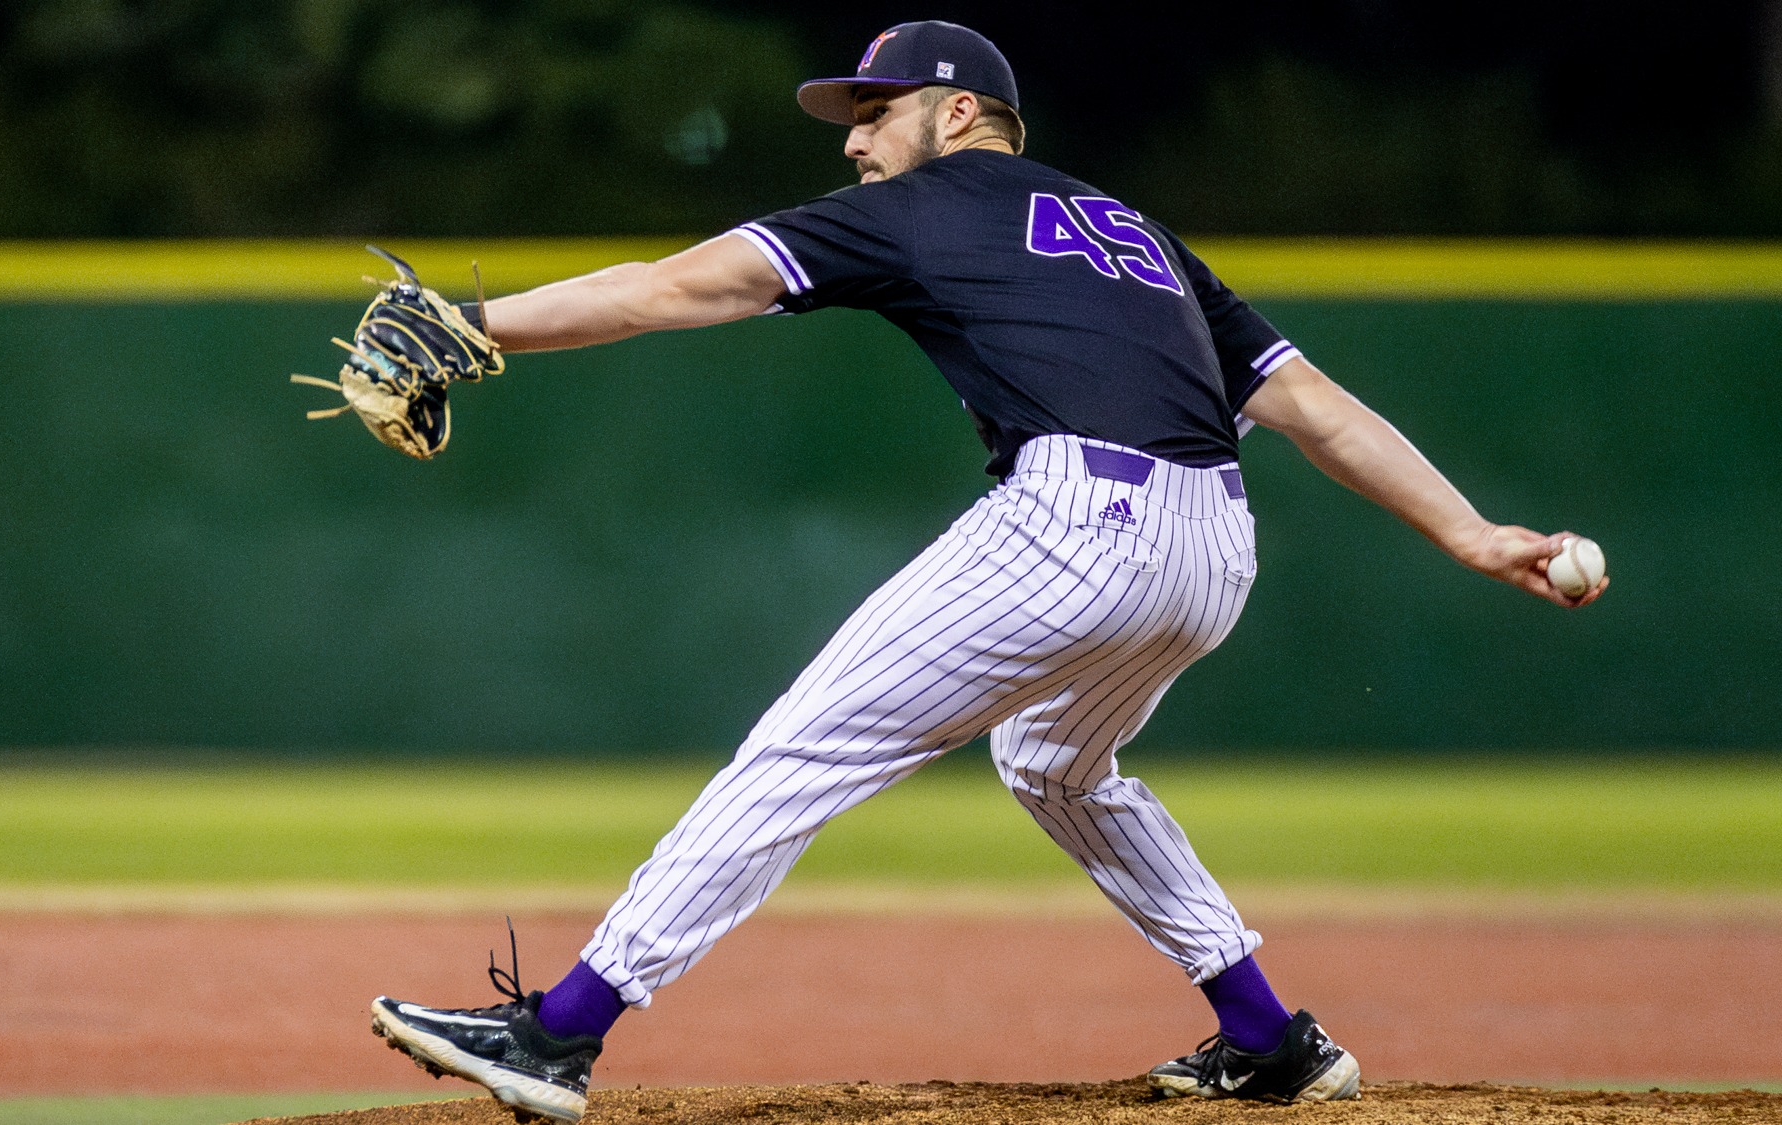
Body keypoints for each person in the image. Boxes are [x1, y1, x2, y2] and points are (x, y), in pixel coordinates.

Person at [366, 21, 1608, 1124]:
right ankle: (1266, 1037)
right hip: (1213, 547)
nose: (854, 144)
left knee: (805, 748)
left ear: (956, 112)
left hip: (1075, 521)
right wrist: (1465, 530)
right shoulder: (1136, 233)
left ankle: (557, 1036)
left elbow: (666, 290)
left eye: (873, 111)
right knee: (1053, 762)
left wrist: (481, 327)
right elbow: (1311, 406)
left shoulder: (924, 203)